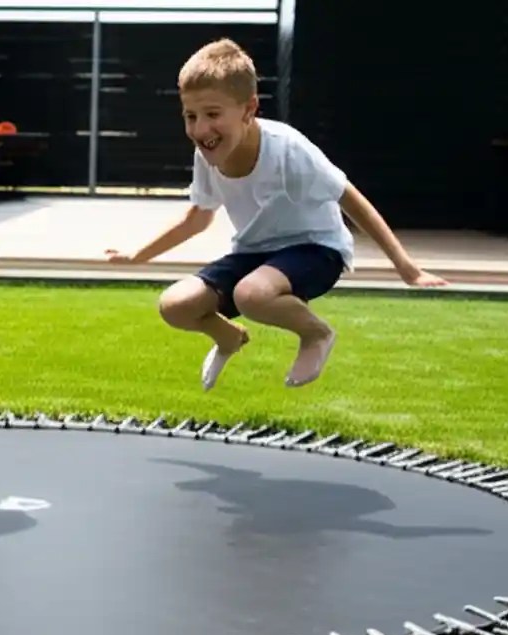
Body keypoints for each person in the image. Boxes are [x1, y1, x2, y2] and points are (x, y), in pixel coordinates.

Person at [105, 38, 447, 390]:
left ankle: (317, 333)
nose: (200, 129)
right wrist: (137, 255)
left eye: (212, 114)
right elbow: (197, 218)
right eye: (190, 116)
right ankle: (229, 339)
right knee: (175, 305)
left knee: (251, 294)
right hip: (254, 253)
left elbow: (351, 199)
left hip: (316, 249)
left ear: (248, 109)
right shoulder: (208, 156)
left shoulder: (288, 150)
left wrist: (408, 269)